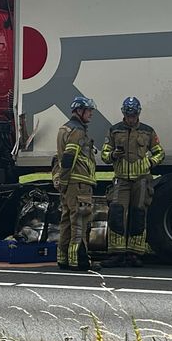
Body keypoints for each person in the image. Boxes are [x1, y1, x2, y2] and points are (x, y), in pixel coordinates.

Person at [100, 96, 165, 267]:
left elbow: (160, 152)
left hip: (141, 180)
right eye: (129, 115)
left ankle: (135, 254)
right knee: (116, 214)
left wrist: (150, 162)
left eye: (134, 115)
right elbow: (104, 154)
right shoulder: (114, 131)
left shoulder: (147, 131)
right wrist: (113, 155)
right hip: (121, 179)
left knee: (138, 214)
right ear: (124, 114)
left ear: (138, 114)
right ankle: (116, 253)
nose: (131, 119)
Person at [53, 96, 101, 272]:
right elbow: (68, 157)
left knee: (66, 220)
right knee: (80, 221)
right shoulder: (78, 131)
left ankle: (63, 258)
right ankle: (79, 260)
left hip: (70, 183)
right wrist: (65, 180)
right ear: (79, 111)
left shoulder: (64, 128)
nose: (91, 115)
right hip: (79, 182)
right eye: (89, 111)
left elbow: (59, 158)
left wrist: (61, 181)